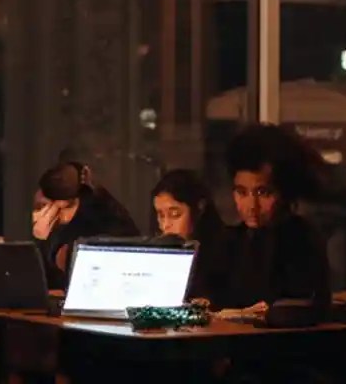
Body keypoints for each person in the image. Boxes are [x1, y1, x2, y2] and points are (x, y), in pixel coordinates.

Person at [207, 124, 330, 314]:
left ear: (285, 192)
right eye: (241, 192)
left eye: (263, 193)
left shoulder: (302, 241)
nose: (252, 205)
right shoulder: (230, 241)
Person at [32, 162, 140, 288]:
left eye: (63, 208)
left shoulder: (101, 224)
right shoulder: (52, 230)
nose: (41, 215)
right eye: (39, 207)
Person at [150, 169, 224, 300]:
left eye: (175, 214)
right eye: (161, 215)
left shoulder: (224, 252)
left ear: (199, 209)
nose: (165, 225)